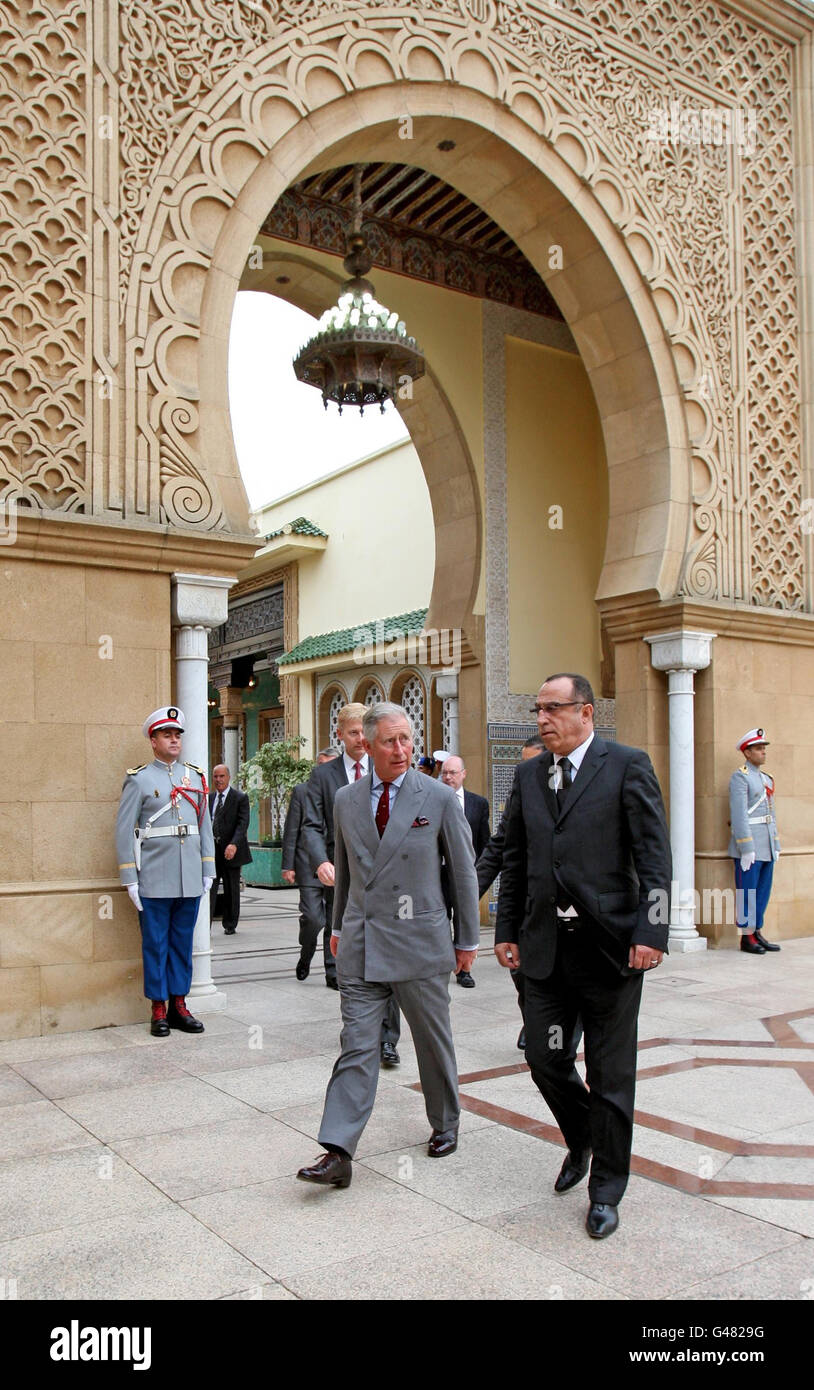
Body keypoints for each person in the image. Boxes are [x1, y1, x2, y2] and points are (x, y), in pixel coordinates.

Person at [495, 673, 671, 1240]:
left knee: (611, 1073)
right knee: (547, 1059)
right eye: (537, 709)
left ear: (586, 713)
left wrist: (654, 930)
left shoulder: (627, 765)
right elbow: (516, 860)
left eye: (553, 709)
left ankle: (606, 1191)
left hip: (611, 950)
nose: (542, 719)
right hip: (545, 952)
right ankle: (583, 1137)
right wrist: (507, 929)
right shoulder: (527, 776)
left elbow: (654, 857)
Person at [296, 702, 480, 1189]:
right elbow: (348, 870)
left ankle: (446, 1122)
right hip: (361, 942)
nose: (400, 750)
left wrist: (467, 939)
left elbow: (463, 872)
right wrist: (337, 928)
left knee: (431, 1042)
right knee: (356, 1047)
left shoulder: (437, 797)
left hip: (419, 941)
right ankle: (337, 1150)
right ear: (367, 745)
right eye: (389, 741)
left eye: (406, 740)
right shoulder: (347, 799)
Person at [303, 703, 401, 1065]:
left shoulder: (389, 769)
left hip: (387, 882)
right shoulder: (324, 777)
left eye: (365, 732)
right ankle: (358, 1033)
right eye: (354, 733)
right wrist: (321, 861)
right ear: (340, 735)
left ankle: (388, 1039)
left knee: (389, 957)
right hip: (344, 883)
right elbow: (311, 824)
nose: (361, 739)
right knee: (351, 956)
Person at [116, 706, 215, 1037]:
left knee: (181, 942)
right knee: (156, 943)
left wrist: (207, 867)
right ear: (153, 740)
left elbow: (204, 826)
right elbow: (123, 830)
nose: (174, 740)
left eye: (177, 735)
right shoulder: (139, 779)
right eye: (167, 735)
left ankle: (179, 1004)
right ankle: (158, 1008)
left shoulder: (196, 777)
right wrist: (130, 878)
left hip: (189, 877)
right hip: (154, 878)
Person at [476, 736, 544, 1043]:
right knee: (521, 972)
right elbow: (498, 847)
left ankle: (545, 1027)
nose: (525, 770)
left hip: (557, 907)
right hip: (522, 902)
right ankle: (532, 1019)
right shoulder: (520, 796)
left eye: (531, 763)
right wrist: (466, 895)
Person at [282, 749, 339, 983]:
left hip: (337, 865)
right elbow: (292, 829)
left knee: (334, 920)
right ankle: (305, 956)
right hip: (308, 865)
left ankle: (332, 971)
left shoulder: (345, 791)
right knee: (314, 918)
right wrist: (288, 865)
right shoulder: (302, 791)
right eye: (322, 765)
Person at [728, 728, 781, 954]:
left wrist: (775, 844)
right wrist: (746, 847)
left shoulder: (766, 778)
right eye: (758, 749)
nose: (763, 753)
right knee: (747, 891)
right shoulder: (740, 776)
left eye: (763, 749)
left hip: (766, 844)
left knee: (762, 891)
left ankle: (757, 930)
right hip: (749, 846)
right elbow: (739, 815)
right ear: (747, 753)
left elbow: (771, 814)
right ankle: (746, 936)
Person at [440, 754, 490, 988]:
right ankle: (442, 966)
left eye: (452, 772)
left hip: (465, 876)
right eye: (445, 773)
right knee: (441, 920)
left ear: (463, 774)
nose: (448, 777)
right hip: (438, 875)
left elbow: (483, 842)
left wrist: (477, 876)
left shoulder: (478, 804)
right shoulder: (434, 800)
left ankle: (464, 971)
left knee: (465, 921)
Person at [208, 764, 252, 935]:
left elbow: (243, 824)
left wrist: (234, 844)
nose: (218, 780)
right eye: (215, 776)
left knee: (231, 888)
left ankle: (230, 924)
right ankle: (206, 924)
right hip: (212, 850)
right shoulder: (210, 798)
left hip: (231, 850)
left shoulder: (240, 798)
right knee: (210, 887)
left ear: (228, 777)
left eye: (222, 776)